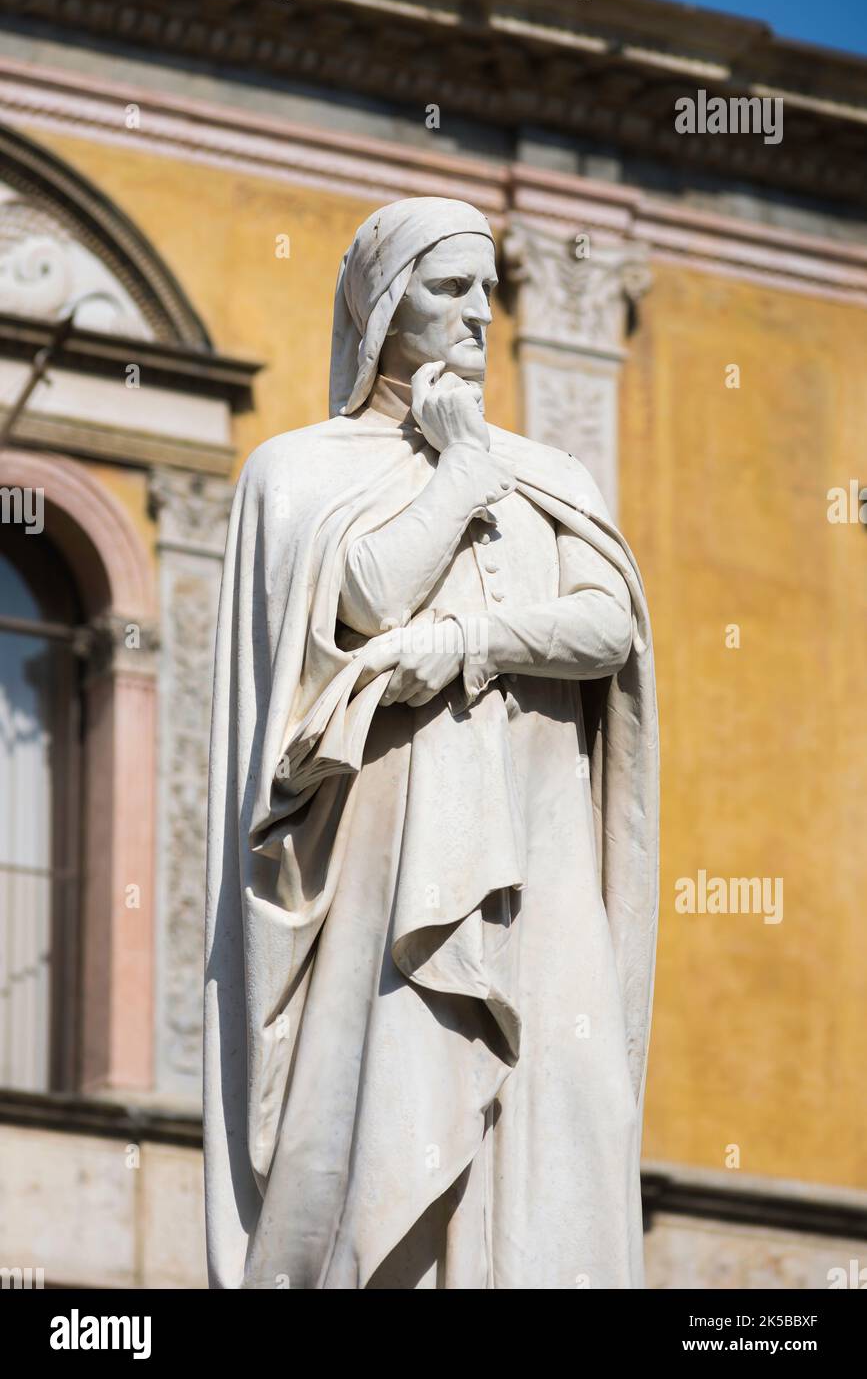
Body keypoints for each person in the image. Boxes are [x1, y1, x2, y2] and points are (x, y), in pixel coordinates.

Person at [204, 196, 659, 1289]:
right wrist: (457, 476)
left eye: (487, 292)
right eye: (447, 289)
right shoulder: (300, 471)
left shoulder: (550, 476)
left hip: (542, 865)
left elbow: (608, 628)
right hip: (387, 870)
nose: (477, 318)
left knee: (565, 1113)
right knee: (394, 1127)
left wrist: (466, 643)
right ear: (379, 306)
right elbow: (361, 596)